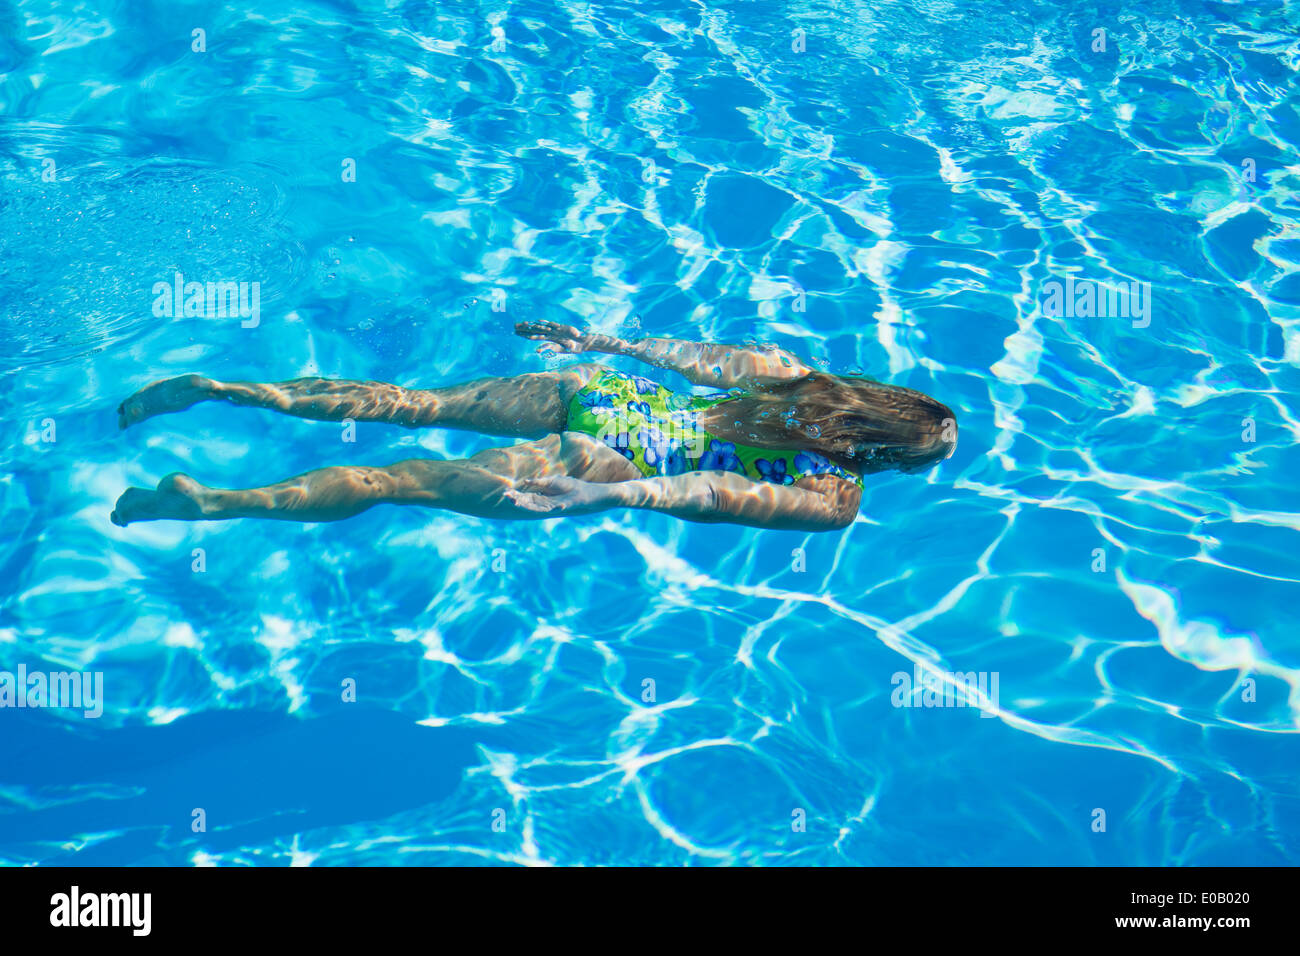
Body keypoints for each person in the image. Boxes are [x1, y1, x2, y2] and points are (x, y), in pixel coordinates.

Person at [110, 322, 957, 532]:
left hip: (598, 396)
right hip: (605, 457)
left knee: (412, 402)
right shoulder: (832, 494)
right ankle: (212, 504)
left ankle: (224, 389)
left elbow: (688, 357)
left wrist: (593, 341)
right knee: (392, 483)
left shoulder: (796, 374)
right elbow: (709, 489)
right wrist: (601, 496)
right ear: (890, 454)